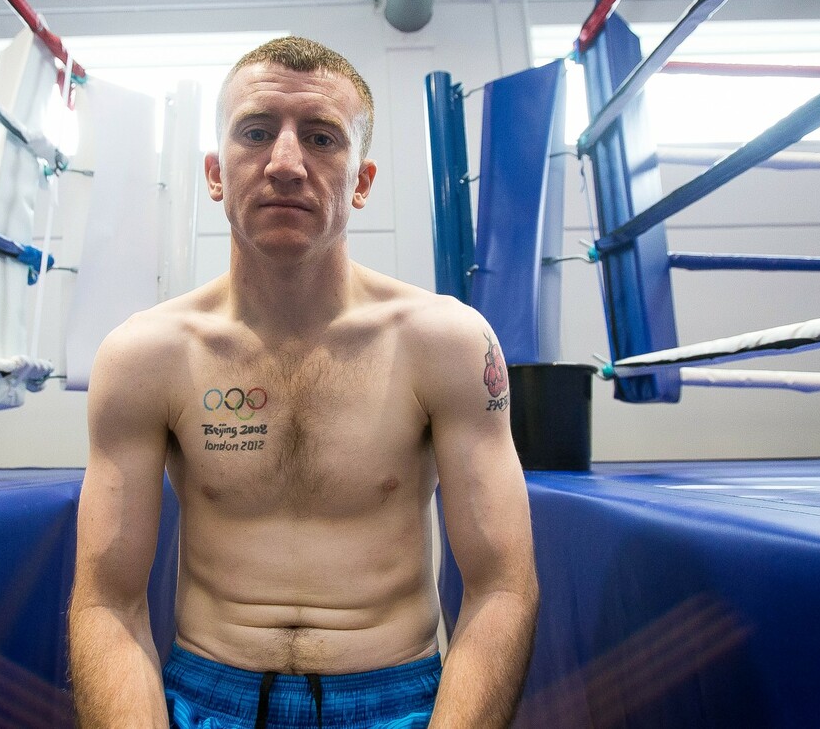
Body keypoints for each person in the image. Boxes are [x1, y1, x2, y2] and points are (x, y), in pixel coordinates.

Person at [69, 36, 538, 728]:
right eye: (256, 132)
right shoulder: (146, 355)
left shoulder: (447, 343)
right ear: (215, 172)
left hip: (395, 700)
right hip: (206, 699)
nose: (286, 163)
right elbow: (106, 602)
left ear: (362, 181)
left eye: (321, 138)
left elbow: (503, 588)